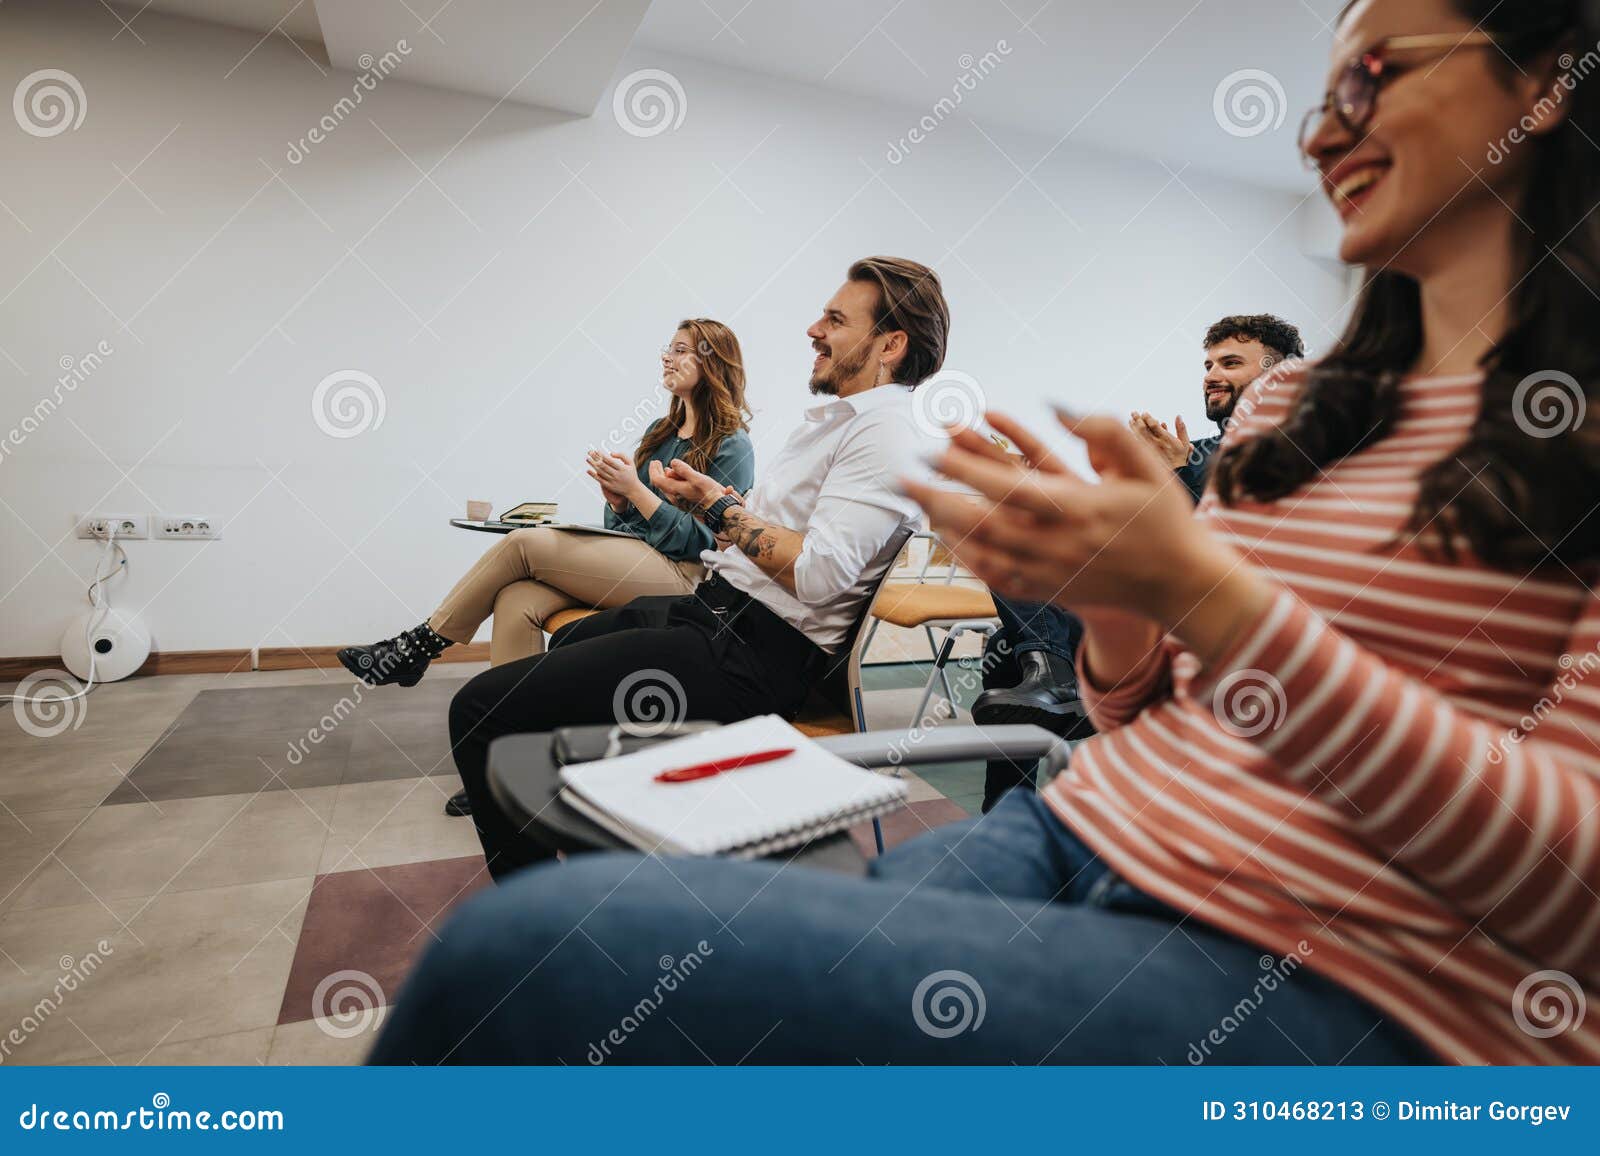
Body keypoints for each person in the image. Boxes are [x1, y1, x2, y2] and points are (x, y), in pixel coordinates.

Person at [371, 0, 1600, 1065]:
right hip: (1086, 825)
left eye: (1373, 74)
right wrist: (1114, 606)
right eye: (1323, 86)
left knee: (513, 963)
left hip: (1362, 975)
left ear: (1544, 83)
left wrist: (1216, 602)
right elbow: (1142, 716)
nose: (1320, 129)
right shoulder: (1297, 407)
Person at [444, 256, 950, 879]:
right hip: (715, 612)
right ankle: (601, 835)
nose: (813, 329)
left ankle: (539, 909)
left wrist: (714, 504)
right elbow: (787, 537)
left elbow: (818, 574)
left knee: (479, 710)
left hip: (751, 656)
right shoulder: (847, 421)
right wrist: (711, 501)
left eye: (836, 320)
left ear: (890, 344)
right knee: (571, 636)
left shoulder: (886, 434)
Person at [974, 313, 1306, 812]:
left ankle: (1059, 681)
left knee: (1013, 643)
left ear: (1281, 376)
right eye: (1208, 362)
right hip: (1147, 608)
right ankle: (1008, 800)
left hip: (1205, 630)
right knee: (1011, 548)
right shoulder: (1200, 449)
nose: (1211, 373)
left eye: (1230, 362)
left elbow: (1242, 555)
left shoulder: (1293, 456)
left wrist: (1180, 475)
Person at [337, 319, 755, 685]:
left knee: (525, 543)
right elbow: (623, 531)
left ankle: (419, 646)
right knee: (516, 598)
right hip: (640, 563)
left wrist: (637, 492)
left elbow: (702, 543)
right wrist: (621, 503)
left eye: (681, 351)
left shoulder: (732, 445)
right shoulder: (659, 434)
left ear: (712, 362)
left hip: (687, 579)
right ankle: (508, 738)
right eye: (668, 349)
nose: (667, 358)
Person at [1129, 313, 1307, 499]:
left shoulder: (1307, 457)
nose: (1209, 377)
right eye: (1209, 367)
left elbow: (1222, 527)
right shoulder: (1189, 455)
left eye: (1231, 363)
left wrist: (1176, 473)